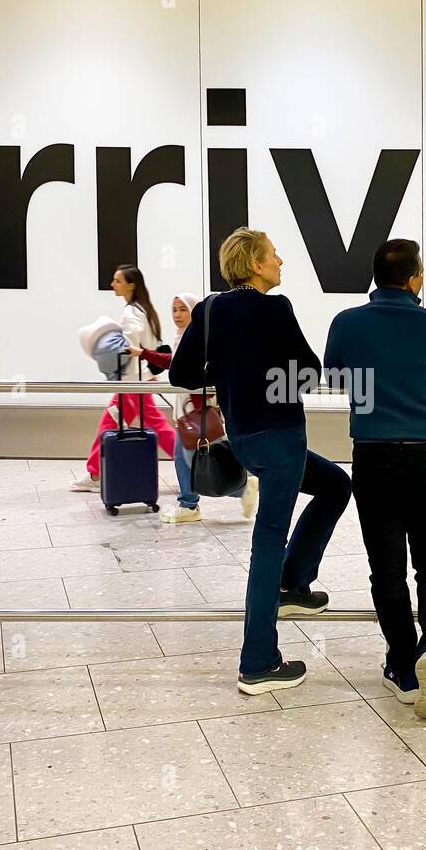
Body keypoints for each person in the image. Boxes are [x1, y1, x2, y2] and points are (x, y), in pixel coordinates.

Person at [169, 227, 351, 695]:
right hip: (281, 437)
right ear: (255, 265)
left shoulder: (209, 309)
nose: (280, 262)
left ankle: (294, 584)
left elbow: (181, 373)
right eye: (273, 256)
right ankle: (258, 662)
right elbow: (309, 373)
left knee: (334, 485)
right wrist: (274, 380)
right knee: (268, 540)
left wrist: (231, 374)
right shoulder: (276, 308)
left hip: (244, 439)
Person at [324, 239, 426, 721]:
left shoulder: (346, 323)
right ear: (414, 278)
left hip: (373, 454)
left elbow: (337, 378)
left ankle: (403, 665)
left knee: (386, 564)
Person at [72, 264, 177, 493]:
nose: (113, 284)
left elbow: (128, 348)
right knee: (115, 423)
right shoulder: (143, 310)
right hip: (138, 380)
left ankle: (189, 465)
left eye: (118, 280)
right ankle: (95, 472)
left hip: (132, 383)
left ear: (131, 284)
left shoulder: (132, 313)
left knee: (149, 425)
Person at [158, 292, 258, 524]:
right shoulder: (181, 337)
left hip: (195, 412)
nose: (177, 315)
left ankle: (197, 502)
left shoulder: (198, 340)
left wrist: (200, 409)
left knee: (202, 463)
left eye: (183, 309)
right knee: (185, 459)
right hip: (185, 412)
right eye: (174, 309)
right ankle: (191, 503)